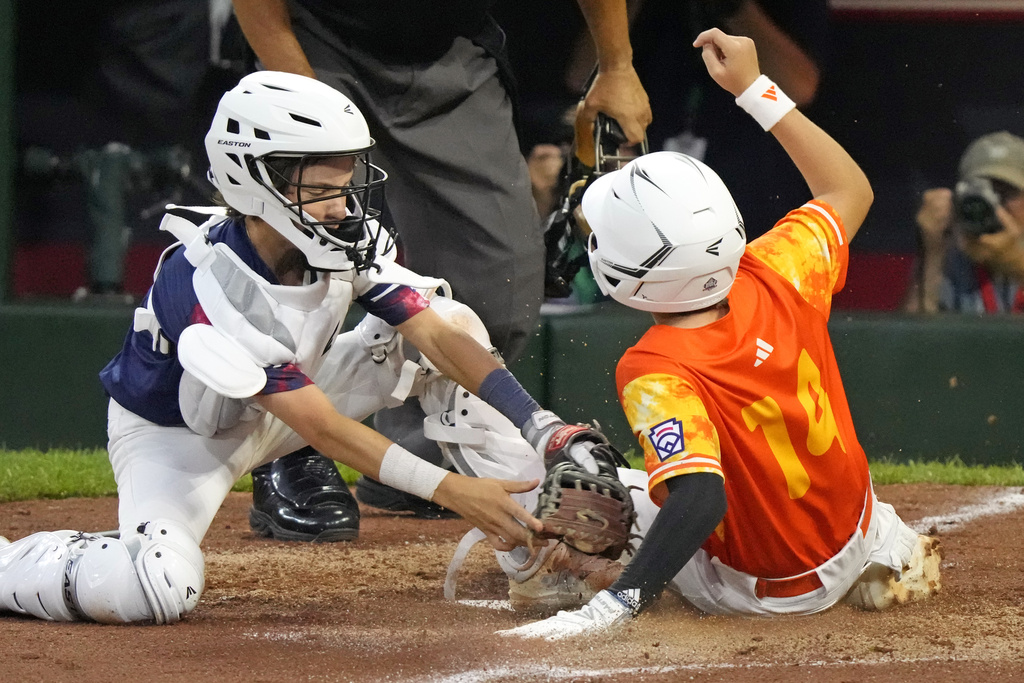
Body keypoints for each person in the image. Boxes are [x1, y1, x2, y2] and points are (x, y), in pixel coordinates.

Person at [0, 72, 610, 625]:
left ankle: (536, 539)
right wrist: (451, 492)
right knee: (156, 587)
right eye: (320, 188)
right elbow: (320, 427)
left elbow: (436, 334)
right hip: (183, 439)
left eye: (343, 183)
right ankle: (14, 565)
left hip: (294, 394)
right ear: (254, 183)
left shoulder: (340, 233)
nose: (341, 205)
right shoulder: (207, 282)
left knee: (450, 318)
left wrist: (540, 424)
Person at [499, 29, 942, 640]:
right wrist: (755, 89)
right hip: (859, 531)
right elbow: (849, 190)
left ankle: (590, 578)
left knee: (576, 483)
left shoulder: (654, 366)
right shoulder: (777, 267)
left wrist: (620, 604)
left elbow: (701, 497)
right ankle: (884, 553)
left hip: (761, 594)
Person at [228, 0, 652, 535]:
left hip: (450, 46)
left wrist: (616, 65)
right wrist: (305, 108)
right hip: (318, 37)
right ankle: (288, 451)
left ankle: (418, 452)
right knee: (303, 229)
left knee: (499, 289)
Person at [903, 131, 1024, 314]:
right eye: (983, 192)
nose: (993, 204)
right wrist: (932, 254)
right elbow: (914, 331)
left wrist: (1016, 264)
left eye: (1006, 192)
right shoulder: (951, 256)